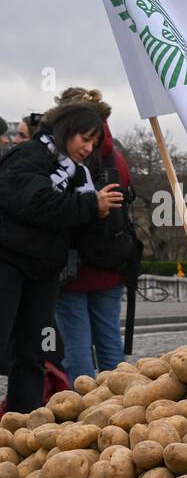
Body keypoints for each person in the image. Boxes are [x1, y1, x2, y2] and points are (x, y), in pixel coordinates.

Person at [0, 103, 122, 413]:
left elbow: (75, 225)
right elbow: (37, 203)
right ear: (66, 131)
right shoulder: (28, 156)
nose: (89, 147)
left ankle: (20, 420)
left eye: (94, 142)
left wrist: (103, 213)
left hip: (43, 270)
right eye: (84, 137)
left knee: (33, 353)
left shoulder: (78, 173)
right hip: (8, 260)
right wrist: (89, 205)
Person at [52, 89, 140, 383]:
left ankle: (83, 409)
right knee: (110, 344)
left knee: (76, 345)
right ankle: (119, 405)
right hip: (112, 262)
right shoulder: (117, 158)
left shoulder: (65, 156)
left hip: (71, 268)